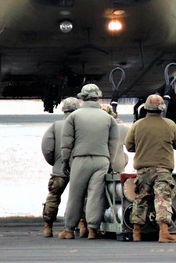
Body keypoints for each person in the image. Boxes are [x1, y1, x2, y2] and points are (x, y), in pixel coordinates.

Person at [58, 84, 118, 239]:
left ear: (82, 98)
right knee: (95, 195)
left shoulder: (74, 117)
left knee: (75, 195)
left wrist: (66, 161)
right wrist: (109, 161)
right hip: (102, 159)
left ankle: (69, 229)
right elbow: (113, 143)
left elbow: (66, 142)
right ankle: (92, 229)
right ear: (98, 97)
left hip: (80, 159)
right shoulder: (108, 118)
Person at [125, 93, 176, 243]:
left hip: (143, 170)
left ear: (145, 108)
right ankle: (163, 233)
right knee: (162, 199)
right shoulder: (170, 124)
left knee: (140, 199)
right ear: (162, 108)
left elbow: (129, 146)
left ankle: (136, 233)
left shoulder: (137, 125)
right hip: (163, 170)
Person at [41, 96, 80, 237]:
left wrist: (54, 162)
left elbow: (47, 147)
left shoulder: (55, 125)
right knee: (81, 196)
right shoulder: (81, 125)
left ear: (63, 109)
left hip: (59, 168)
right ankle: (82, 226)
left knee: (53, 195)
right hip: (78, 166)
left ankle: (48, 227)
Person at [101, 104, 130, 173]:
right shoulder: (123, 128)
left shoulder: (94, 129)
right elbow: (132, 146)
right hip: (118, 163)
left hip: (100, 164)